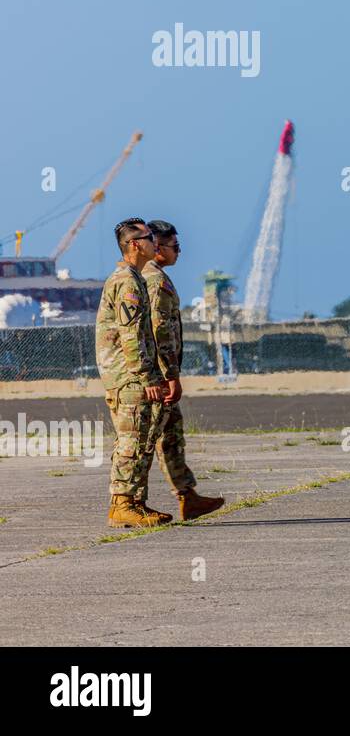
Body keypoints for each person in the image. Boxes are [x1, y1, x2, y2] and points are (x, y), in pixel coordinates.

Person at [143, 220, 224, 521]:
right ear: (158, 247)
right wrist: (169, 375)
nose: (180, 251)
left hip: (159, 373)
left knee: (170, 435)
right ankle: (130, 502)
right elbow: (159, 330)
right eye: (175, 246)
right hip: (156, 377)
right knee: (144, 440)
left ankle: (187, 496)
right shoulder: (155, 281)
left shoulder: (155, 277)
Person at [96, 219, 171, 527]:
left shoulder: (134, 277)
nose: (156, 241)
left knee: (141, 437)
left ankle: (135, 502)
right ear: (136, 245)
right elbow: (131, 335)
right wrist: (147, 376)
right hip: (128, 376)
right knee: (131, 439)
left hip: (130, 374)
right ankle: (123, 503)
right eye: (150, 237)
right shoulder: (127, 281)